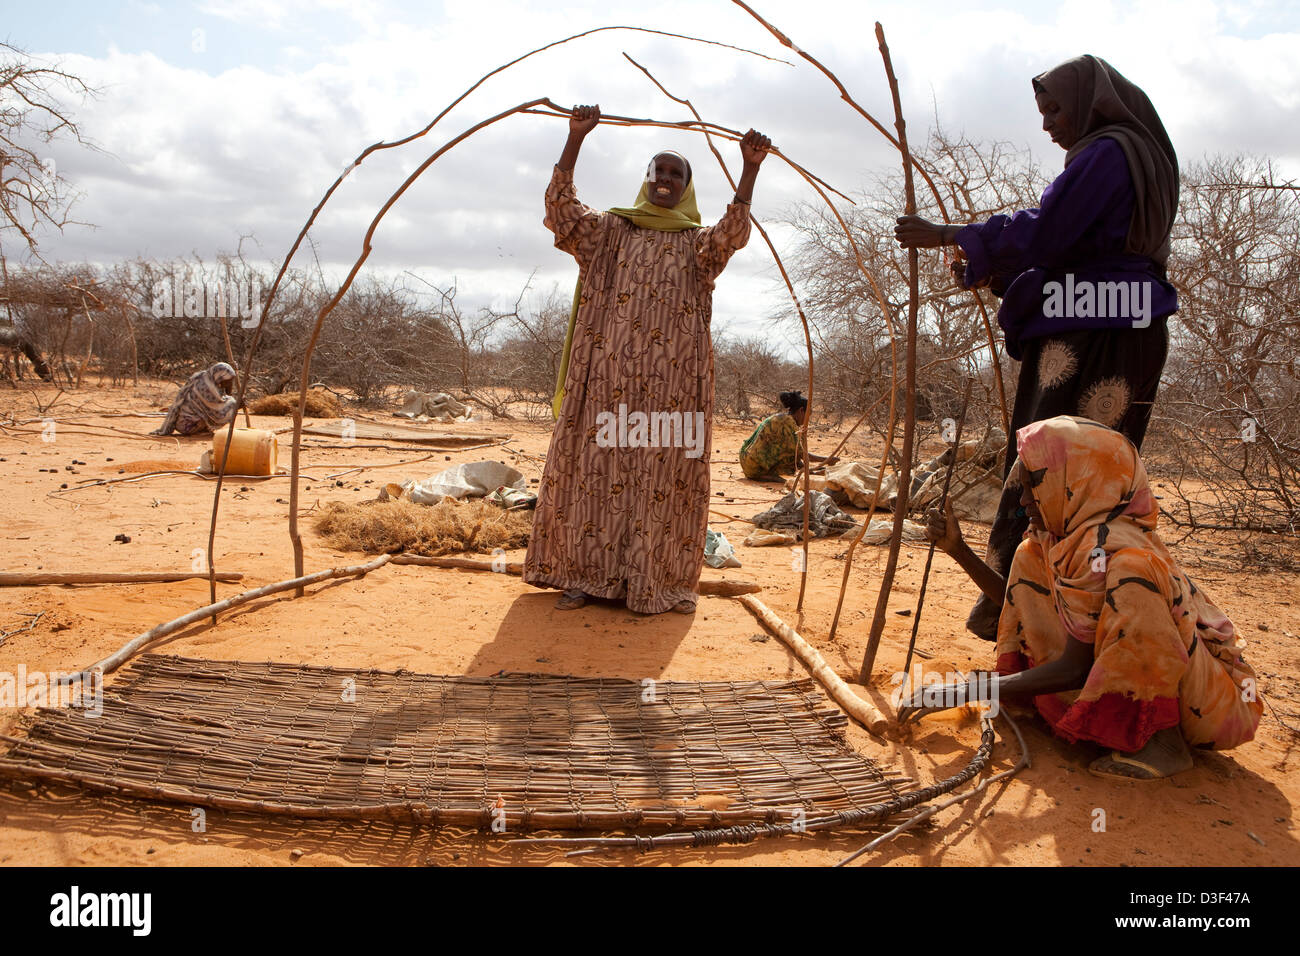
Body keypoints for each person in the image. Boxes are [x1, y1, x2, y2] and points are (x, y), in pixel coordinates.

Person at [895, 54, 1179, 640]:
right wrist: (993, 261)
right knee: (1102, 475)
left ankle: (1034, 618)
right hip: (1132, 325)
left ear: (1086, 103)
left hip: (1089, 327)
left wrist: (952, 235)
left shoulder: (1107, 153)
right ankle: (1087, 618)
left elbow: (1050, 231)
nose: (1048, 123)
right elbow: (1071, 243)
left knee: (1048, 467)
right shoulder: (1146, 155)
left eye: (1054, 109)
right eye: (1042, 111)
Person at [910, 415, 1262, 780]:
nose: (1025, 499)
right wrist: (958, 549)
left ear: (1078, 479)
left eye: (1035, 484)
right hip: (1141, 679)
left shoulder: (1122, 552)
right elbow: (1021, 602)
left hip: (1214, 707)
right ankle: (1077, 708)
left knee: (1133, 575)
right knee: (1028, 555)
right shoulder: (1061, 539)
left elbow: (1075, 667)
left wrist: (971, 690)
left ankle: (1163, 741)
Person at [523, 104, 770, 614]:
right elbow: (559, 208)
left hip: (671, 391)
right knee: (594, 472)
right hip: (605, 385)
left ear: (686, 187)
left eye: (676, 173)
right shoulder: (610, 232)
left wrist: (749, 170)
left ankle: (661, 581)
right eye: (659, 170)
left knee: (665, 479)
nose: (665, 178)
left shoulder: (696, 246)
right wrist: (575, 138)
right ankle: (582, 577)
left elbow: (733, 233)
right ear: (647, 178)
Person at [738, 389, 838, 480]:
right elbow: (802, 455)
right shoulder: (789, 424)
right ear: (801, 411)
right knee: (793, 458)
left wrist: (813, 470)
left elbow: (795, 455)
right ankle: (764, 474)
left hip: (746, 460)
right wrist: (827, 460)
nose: (807, 421)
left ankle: (808, 472)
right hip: (753, 467)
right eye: (808, 415)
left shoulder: (783, 418)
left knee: (791, 454)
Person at [152, 362, 239, 436]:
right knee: (229, 407)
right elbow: (218, 412)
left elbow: (227, 394)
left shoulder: (206, 377)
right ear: (219, 377)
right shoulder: (206, 387)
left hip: (185, 423)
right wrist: (236, 405)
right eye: (228, 381)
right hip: (187, 425)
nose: (229, 383)